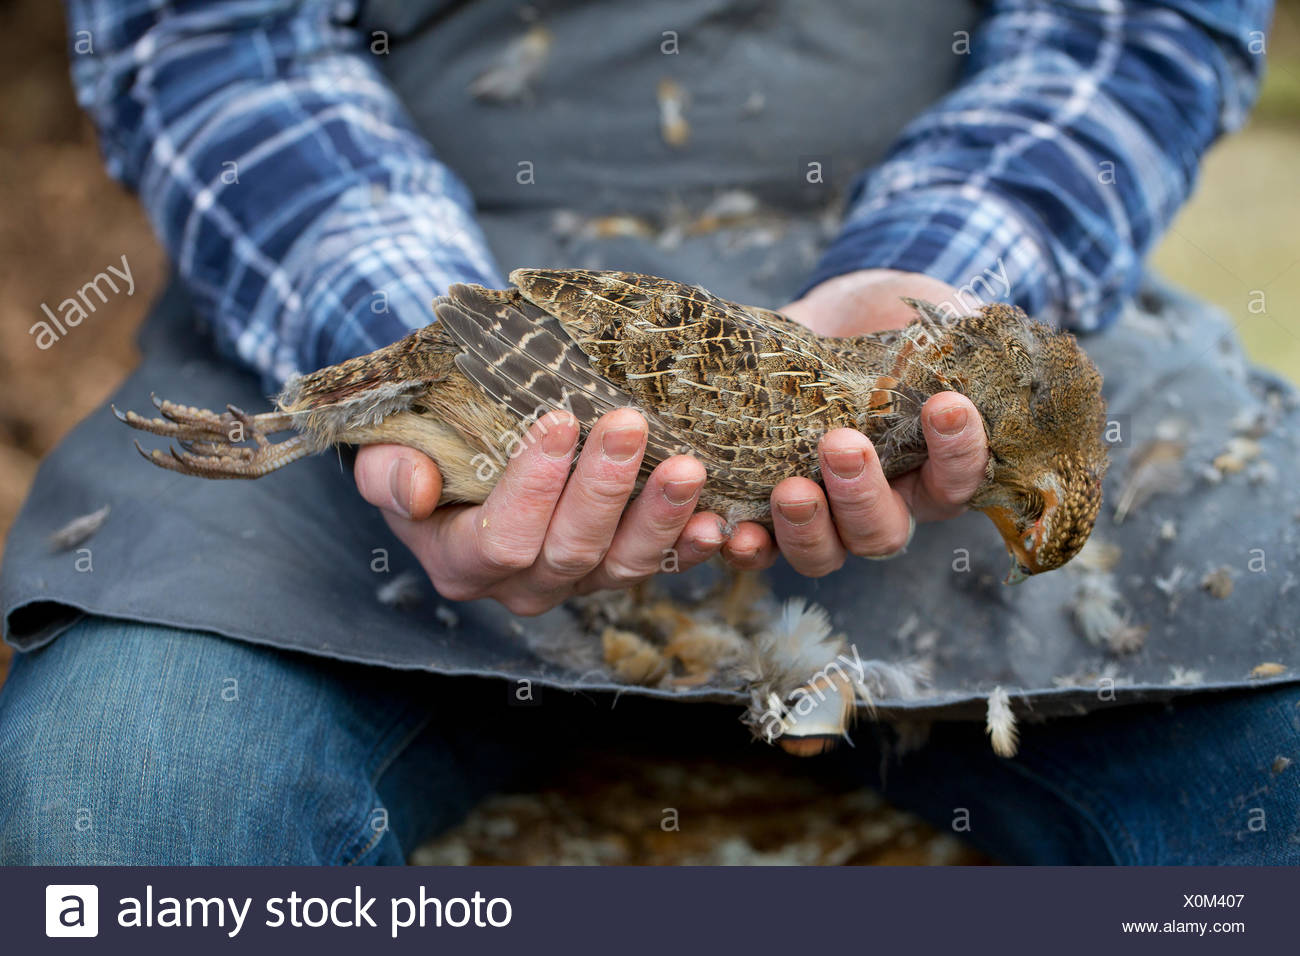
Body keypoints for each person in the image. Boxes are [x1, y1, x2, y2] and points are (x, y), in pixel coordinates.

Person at [2, 0, 1295, 864]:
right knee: (113, 805)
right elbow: (210, 42)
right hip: (396, 277)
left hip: (957, 291)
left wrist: (924, 321)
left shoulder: (952, 366)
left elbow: (1136, 34)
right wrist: (445, 371)